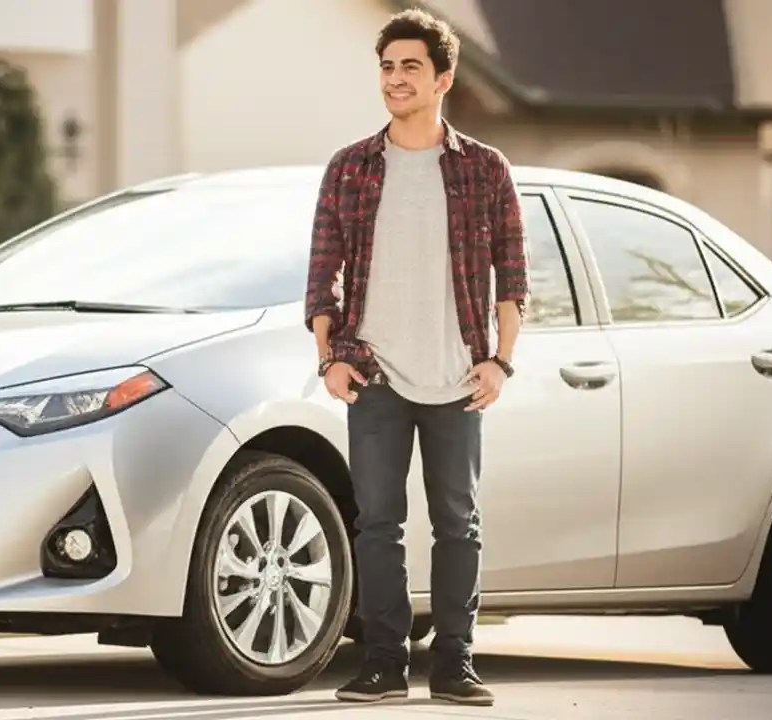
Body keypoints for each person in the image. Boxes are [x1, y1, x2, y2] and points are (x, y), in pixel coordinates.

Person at [304, 8, 529, 707]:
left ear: (443, 79)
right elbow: (323, 271)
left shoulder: (485, 170)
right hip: (375, 375)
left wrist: (500, 362)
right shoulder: (350, 167)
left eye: (409, 68)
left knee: (459, 522)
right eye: (387, 66)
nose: (395, 79)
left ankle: (455, 663)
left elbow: (513, 275)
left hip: (458, 376)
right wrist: (329, 357)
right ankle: (383, 663)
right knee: (378, 524)